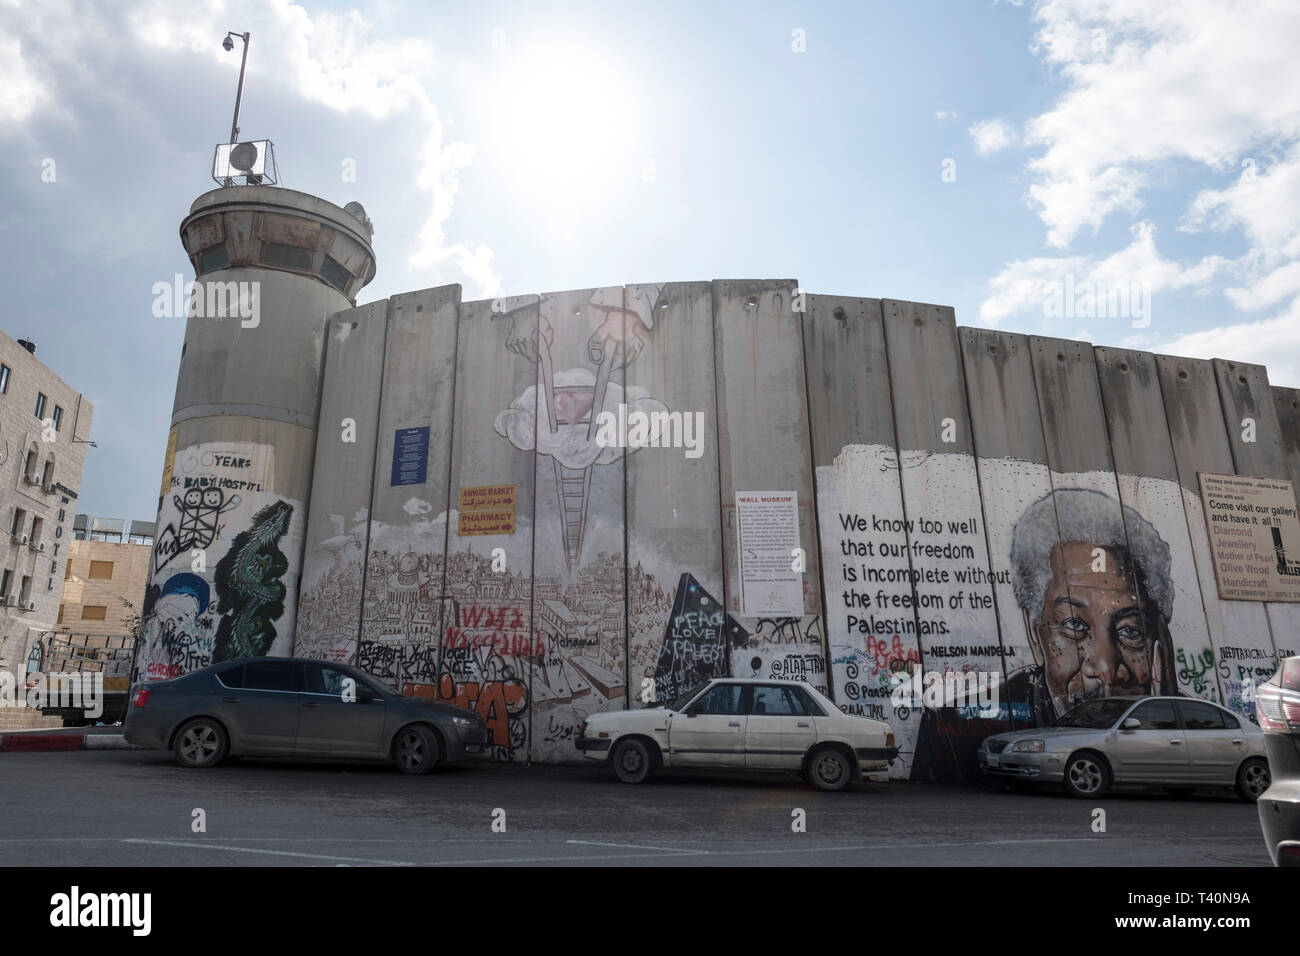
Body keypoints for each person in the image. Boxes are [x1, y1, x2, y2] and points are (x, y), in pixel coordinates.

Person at [1005, 488, 1179, 725]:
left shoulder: (1195, 721)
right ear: (1035, 635)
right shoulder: (975, 725)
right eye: (1074, 624)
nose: (1106, 670)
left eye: (1131, 631)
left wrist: (1164, 729)